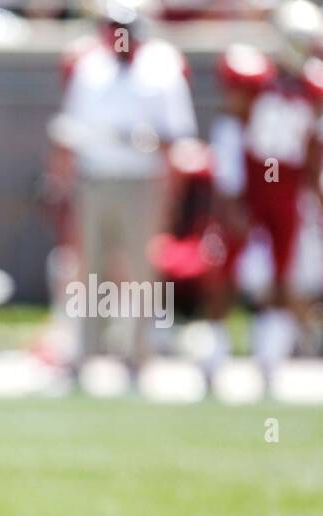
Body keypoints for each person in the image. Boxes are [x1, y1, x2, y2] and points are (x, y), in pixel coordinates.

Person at [51, 0, 196, 375]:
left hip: (141, 181)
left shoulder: (162, 70)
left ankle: (137, 354)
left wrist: (168, 190)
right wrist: (63, 187)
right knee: (90, 269)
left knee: (140, 269)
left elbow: (178, 139)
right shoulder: (88, 68)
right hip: (95, 179)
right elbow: (69, 133)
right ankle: (85, 353)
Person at [210, 0, 323, 380]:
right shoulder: (255, 79)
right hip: (255, 181)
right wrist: (231, 194)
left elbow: (311, 149)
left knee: (282, 269)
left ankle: (269, 356)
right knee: (225, 263)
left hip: (286, 186)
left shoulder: (312, 87)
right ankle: (216, 348)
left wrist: (315, 195)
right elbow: (232, 132)